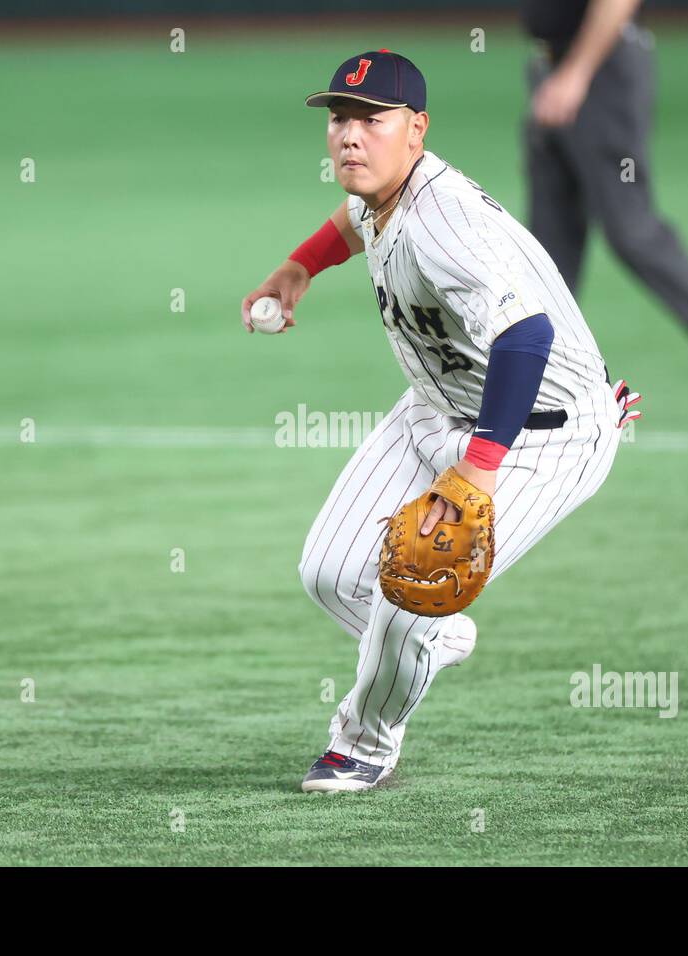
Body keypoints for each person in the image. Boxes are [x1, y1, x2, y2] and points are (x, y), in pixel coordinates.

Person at [241, 50, 639, 793]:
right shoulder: (381, 186)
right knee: (328, 574)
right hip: (437, 405)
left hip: (539, 436)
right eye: (339, 119)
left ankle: (364, 742)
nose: (350, 137)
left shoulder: (443, 222)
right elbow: (352, 221)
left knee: (408, 591)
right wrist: (297, 268)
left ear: (416, 130)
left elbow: (526, 336)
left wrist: (478, 470)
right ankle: (431, 635)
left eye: (371, 120)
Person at [524, 0, 688, 420]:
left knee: (630, 229)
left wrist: (576, 73)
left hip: (597, 70)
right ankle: (534, 384)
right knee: (546, 251)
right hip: (553, 69)